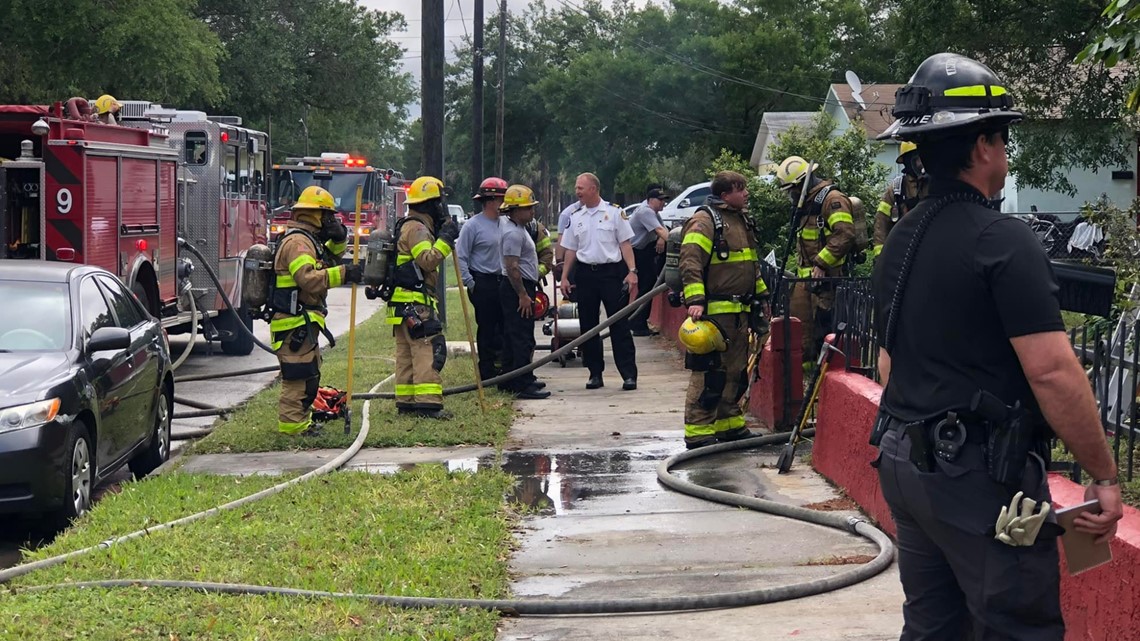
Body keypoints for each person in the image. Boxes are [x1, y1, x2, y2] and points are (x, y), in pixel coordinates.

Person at [872, 52, 1123, 640]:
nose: (1007, 155)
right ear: (982, 146)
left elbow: (888, 362)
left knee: (934, 626)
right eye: (1004, 140)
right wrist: (1104, 475)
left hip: (908, 466)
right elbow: (1054, 373)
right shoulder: (1002, 241)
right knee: (1017, 626)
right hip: (978, 481)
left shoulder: (900, 241)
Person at [677, 171, 769, 449]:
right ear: (726, 193)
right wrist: (696, 300)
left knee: (736, 371)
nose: (747, 194)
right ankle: (698, 431)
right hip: (713, 313)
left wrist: (762, 294)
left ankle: (729, 424)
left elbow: (752, 265)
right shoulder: (705, 221)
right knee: (710, 373)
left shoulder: (741, 220)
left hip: (740, 311)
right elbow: (690, 262)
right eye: (741, 189)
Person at [271, 185, 362, 435]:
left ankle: (302, 423)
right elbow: (308, 278)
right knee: (298, 377)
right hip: (293, 323)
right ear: (314, 215)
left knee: (308, 375)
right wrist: (345, 274)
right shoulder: (298, 242)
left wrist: (339, 238)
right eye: (327, 216)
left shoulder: (308, 240)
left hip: (301, 321)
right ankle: (293, 429)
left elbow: (328, 262)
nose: (330, 220)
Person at [387, 176, 460, 419]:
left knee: (406, 355)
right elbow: (427, 260)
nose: (441, 208)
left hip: (402, 305)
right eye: (438, 203)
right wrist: (446, 240)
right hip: (417, 304)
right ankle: (428, 404)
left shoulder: (407, 225)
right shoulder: (418, 229)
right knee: (427, 350)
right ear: (429, 204)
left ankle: (406, 403)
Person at [558, 172, 639, 390]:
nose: (577, 192)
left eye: (580, 188)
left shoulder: (614, 213)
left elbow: (625, 244)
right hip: (585, 275)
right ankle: (595, 373)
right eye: (577, 188)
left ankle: (628, 374)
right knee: (588, 326)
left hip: (611, 274)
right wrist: (565, 277)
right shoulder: (575, 216)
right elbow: (571, 250)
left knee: (619, 324)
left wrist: (632, 271)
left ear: (593, 189)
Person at [775, 155, 856, 361]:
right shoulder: (807, 204)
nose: (791, 194)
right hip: (806, 280)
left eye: (794, 188)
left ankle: (821, 381)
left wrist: (821, 262)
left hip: (828, 281)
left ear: (804, 182)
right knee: (801, 333)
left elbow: (845, 234)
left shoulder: (832, 200)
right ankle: (803, 380)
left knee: (823, 331)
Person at [498, 184, 553, 400]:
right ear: (515, 209)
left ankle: (515, 378)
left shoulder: (519, 229)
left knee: (517, 335)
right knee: (520, 336)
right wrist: (522, 294)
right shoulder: (512, 233)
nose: (532, 212)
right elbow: (512, 267)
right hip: (516, 290)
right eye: (528, 208)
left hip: (521, 287)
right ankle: (521, 383)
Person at [457, 177, 509, 381]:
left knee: (505, 327)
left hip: (503, 282)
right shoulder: (473, 226)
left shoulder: (506, 223)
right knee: (487, 329)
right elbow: (461, 256)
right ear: (490, 200)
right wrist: (471, 283)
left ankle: (505, 368)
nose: (505, 203)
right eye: (502, 199)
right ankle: (486, 372)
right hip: (483, 283)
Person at [872, 141, 929, 259]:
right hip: (903, 254)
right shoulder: (896, 189)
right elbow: (881, 224)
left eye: (923, 157)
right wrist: (880, 258)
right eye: (917, 159)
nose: (921, 163)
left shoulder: (934, 184)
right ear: (907, 161)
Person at [628, 184, 670, 336]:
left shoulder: (653, 211)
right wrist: (681, 245)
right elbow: (660, 231)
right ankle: (635, 323)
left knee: (649, 284)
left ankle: (636, 321)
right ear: (651, 200)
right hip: (633, 252)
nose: (663, 203)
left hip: (642, 251)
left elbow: (663, 230)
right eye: (660, 200)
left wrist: (662, 238)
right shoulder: (645, 211)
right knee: (644, 287)